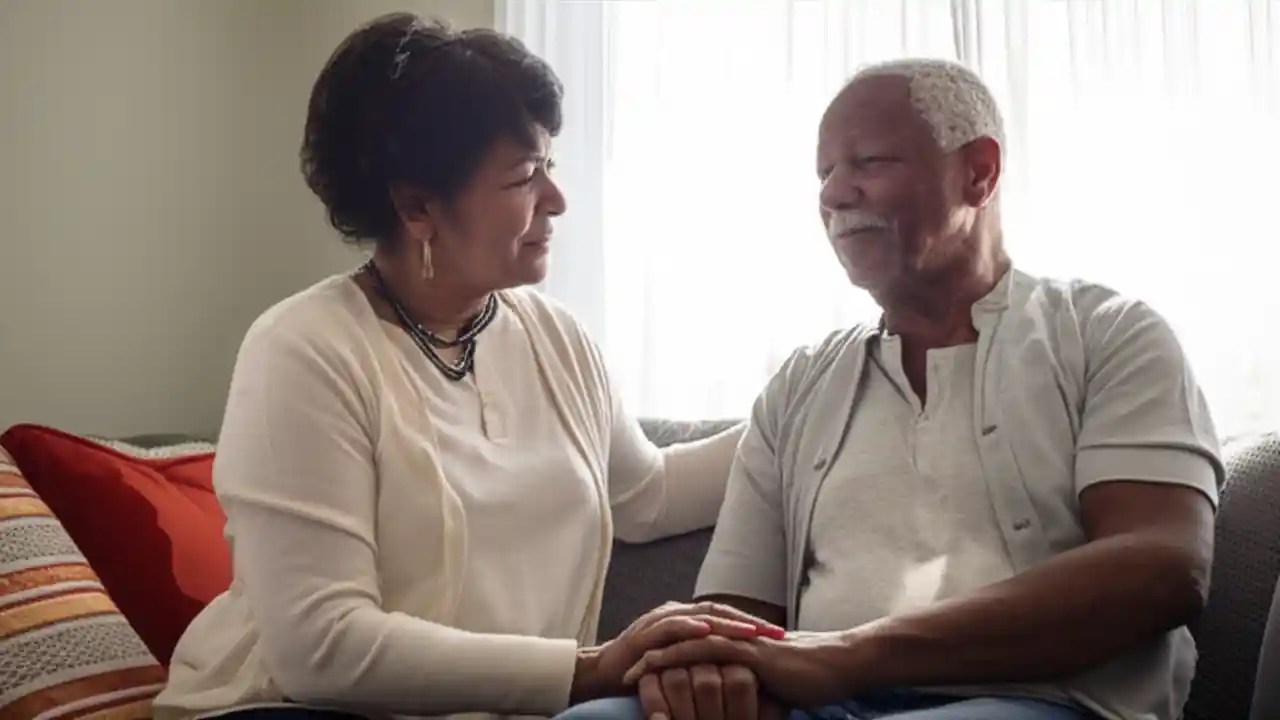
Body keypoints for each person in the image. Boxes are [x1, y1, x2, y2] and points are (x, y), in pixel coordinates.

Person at [152, 13, 768, 720]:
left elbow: (648, 496)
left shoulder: (556, 338)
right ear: (417, 205)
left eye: (551, 168)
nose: (557, 200)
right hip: (292, 708)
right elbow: (322, 645)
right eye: (524, 177)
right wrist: (589, 670)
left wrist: (797, 414)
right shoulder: (303, 350)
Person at [567, 59, 1222, 720]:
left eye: (870, 163)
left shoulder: (1110, 335)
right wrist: (714, 677)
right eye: (825, 173)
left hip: (1042, 700)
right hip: (813, 701)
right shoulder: (798, 386)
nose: (835, 194)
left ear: (980, 172)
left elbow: (1163, 568)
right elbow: (740, 614)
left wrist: (844, 657)